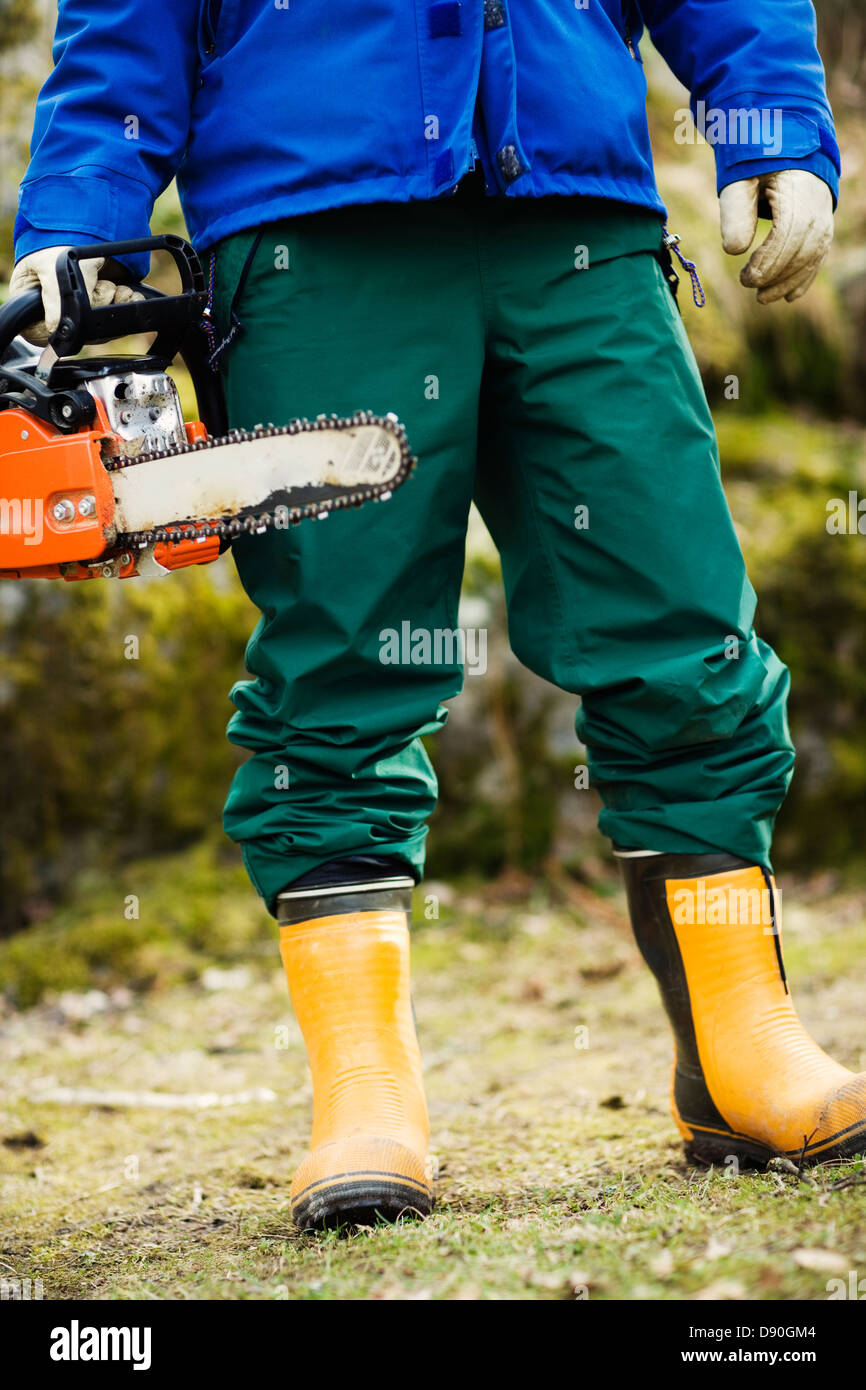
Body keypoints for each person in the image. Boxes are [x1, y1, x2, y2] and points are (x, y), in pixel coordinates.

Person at [10, 1, 863, 1231]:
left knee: (684, 626)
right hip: (312, 223)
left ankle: (744, 1041)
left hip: (576, 214)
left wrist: (770, 119)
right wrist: (81, 213)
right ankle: (365, 1092)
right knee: (338, 667)